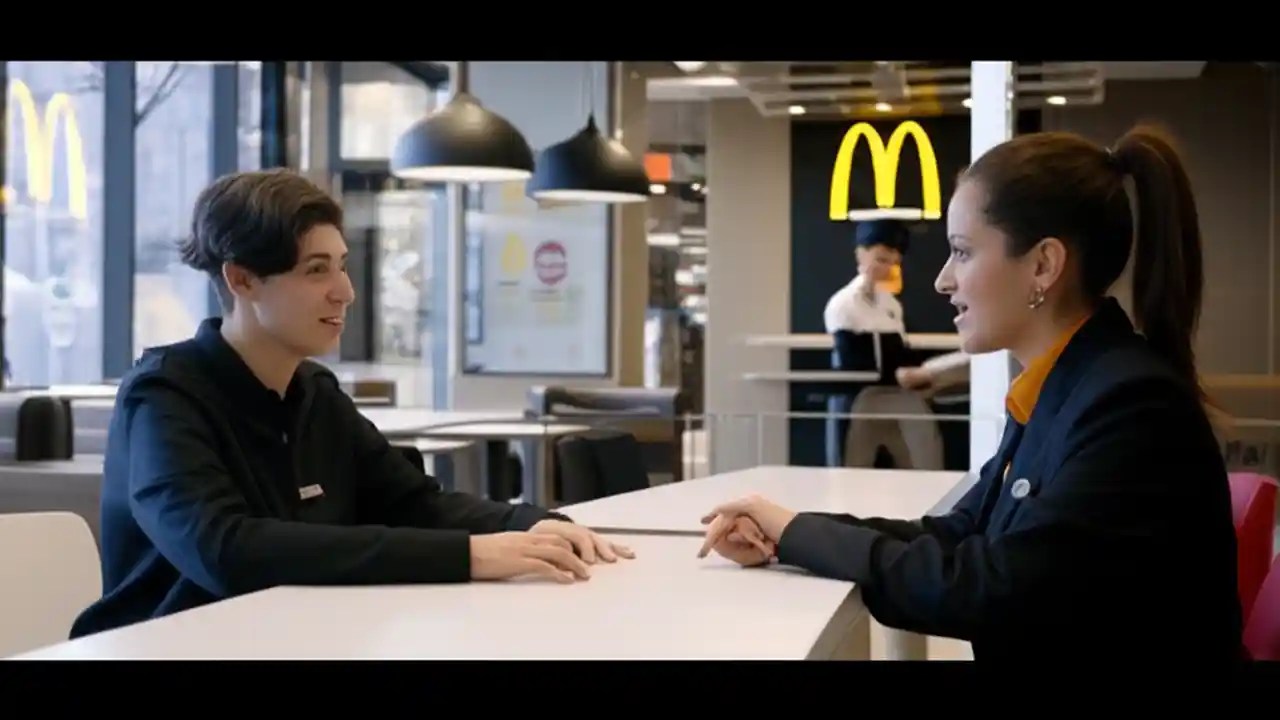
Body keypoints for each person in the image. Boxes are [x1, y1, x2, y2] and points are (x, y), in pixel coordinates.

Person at [698, 125, 1244, 660]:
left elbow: (989, 590)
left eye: (961, 252)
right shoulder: (1064, 387)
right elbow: (955, 535)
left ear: (1043, 265)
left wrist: (794, 532)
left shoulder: (1128, 405)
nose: (942, 281)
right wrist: (790, 532)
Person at [71, 169, 632, 639]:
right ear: (241, 279)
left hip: (298, 640)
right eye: (316, 270)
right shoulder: (165, 394)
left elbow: (413, 503)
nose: (345, 291)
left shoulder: (314, 392)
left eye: (341, 265)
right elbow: (227, 552)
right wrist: (473, 555)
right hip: (170, 647)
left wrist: (532, 524)